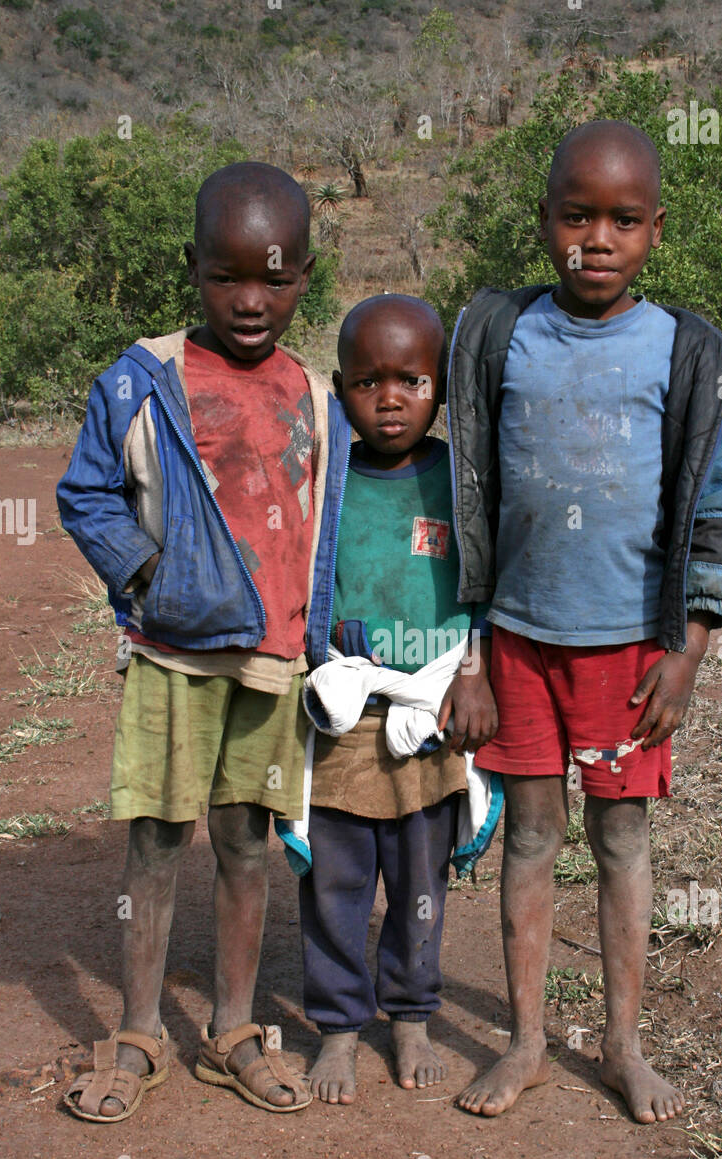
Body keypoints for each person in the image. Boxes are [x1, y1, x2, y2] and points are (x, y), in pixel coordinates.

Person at [446, 120, 722, 1122]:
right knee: (529, 836)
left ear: (653, 231)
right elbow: (468, 499)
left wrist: (689, 647)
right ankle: (528, 1041)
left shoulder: (686, 351)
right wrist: (474, 648)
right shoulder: (500, 335)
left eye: (622, 219)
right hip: (519, 640)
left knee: (620, 838)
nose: (597, 237)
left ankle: (622, 1046)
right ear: (543, 222)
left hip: (627, 646)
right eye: (576, 214)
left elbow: (716, 504)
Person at [56, 162, 347, 1120]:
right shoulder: (143, 380)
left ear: (306, 273)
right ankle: (139, 1028)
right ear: (192, 268)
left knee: (245, 843)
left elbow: (324, 523)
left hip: (270, 662)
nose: (251, 299)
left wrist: (328, 638)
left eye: (275, 276)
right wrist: (147, 576)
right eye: (226, 277)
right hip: (175, 660)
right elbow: (86, 493)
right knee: (155, 841)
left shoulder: (317, 394)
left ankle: (229, 1029)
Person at [294, 294, 498, 1104]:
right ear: (339, 388)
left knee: (422, 872)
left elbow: (485, 584)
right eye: (368, 381)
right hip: (347, 711)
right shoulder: (325, 476)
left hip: (432, 710)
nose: (389, 398)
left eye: (411, 379)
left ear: (440, 387)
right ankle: (340, 1027)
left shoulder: (461, 480)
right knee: (336, 879)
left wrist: (477, 672)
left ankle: (410, 1013)